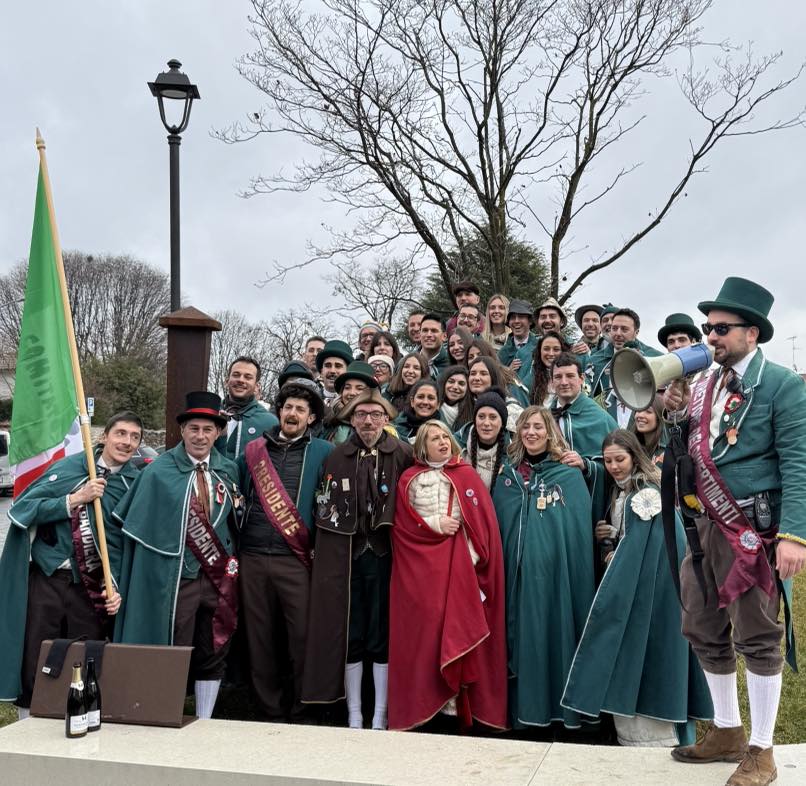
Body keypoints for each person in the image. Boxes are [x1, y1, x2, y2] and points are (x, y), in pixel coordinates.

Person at [663, 278, 806, 786]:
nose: (709, 337)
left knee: (757, 636)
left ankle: (762, 750)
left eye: (720, 329)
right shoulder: (706, 383)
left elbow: (798, 462)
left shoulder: (783, 384)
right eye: (707, 328)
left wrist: (793, 534)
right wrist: (674, 413)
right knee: (702, 625)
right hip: (704, 526)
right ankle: (726, 730)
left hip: (754, 531)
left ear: (753, 333)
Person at [562, 430, 712, 747]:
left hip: (651, 592)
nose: (614, 466)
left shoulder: (646, 495)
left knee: (650, 657)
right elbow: (633, 540)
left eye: (620, 459)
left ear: (634, 456)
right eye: (608, 461)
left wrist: (620, 553)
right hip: (641, 585)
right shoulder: (623, 492)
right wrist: (612, 539)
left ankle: (658, 740)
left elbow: (651, 544)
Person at [0, 412, 142, 717]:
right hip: (49, 577)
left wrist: (115, 588)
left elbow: (123, 547)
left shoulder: (135, 483)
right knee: (37, 651)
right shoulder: (68, 468)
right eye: (121, 433)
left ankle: (79, 715)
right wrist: (74, 499)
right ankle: (29, 718)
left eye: (134, 437)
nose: (126, 442)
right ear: (105, 435)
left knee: (86, 655)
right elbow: (25, 509)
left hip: (89, 586)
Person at [113, 392, 241, 719]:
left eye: (207, 430)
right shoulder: (159, 471)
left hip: (216, 578)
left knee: (214, 645)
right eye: (194, 428)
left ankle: (205, 718)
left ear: (217, 433)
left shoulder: (228, 469)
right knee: (174, 646)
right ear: (182, 431)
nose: (200, 436)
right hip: (176, 576)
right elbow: (137, 527)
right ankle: (164, 712)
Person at [302, 389, 414, 730]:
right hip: (346, 557)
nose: (367, 420)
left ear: (386, 419)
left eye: (375, 414)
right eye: (361, 415)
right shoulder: (335, 457)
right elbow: (321, 504)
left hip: (386, 556)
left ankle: (380, 713)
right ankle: (353, 713)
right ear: (352, 420)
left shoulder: (403, 454)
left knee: (381, 633)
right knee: (351, 633)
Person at [388, 420, 507, 731]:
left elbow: (482, 527)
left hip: (460, 572)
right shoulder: (409, 479)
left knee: (457, 631)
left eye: (444, 436)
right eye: (433, 438)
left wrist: (468, 556)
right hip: (422, 575)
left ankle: (457, 708)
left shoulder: (466, 475)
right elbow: (402, 528)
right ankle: (429, 707)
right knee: (425, 639)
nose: (441, 441)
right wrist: (433, 523)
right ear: (421, 447)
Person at [492, 406, 595, 730]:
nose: (532, 432)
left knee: (556, 638)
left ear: (550, 432)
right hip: (516, 583)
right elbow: (500, 527)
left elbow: (576, 534)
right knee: (522, 642)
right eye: (526, 427)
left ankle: (560, 714)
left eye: (538, 427)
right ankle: (522, 714)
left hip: (555, 582)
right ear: (519, 432)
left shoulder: (567, 475)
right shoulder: (507, 477)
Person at [237, 379, 332, 722]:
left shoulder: (323, 451)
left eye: (301, 410)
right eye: (288, 407)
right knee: (258, 637)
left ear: (311, 418)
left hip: (296, 559)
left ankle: (303, 709)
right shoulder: (253, 451)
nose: (293, 414)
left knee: (302, 637)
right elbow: (242, 495)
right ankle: (268, 710)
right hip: (253, 555)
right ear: (279, 411)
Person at [550, 352, 618, 528]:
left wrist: (587, 465)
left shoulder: (601, 419)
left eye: (570, 376)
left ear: (581, 379)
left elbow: (617, 468)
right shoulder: (543, 416)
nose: (564, 382)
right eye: (558, 377)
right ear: (551, 382)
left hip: (586, 503)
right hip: (551, 503)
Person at [586, 308, 662, 423]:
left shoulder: (654, 357)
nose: (618, 333)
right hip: (604, 423)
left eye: (624, 329)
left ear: (636, 332)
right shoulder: (595, 360)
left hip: (641, 424)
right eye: (614, 328)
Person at [217, 356, 279, 459]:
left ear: (257, 386)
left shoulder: (270, 423)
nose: (241, 380)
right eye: (236, 375)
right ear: (227, 381)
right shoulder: (211, 414)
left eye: (248, 377)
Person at [455, 389, 509, 492]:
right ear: (475, 420)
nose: (486, 423)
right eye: (481, 417)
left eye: (493, 417)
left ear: (502, 422)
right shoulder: (456, 445)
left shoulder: (512, 454)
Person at [322, 361, 379, 445]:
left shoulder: (380, 426)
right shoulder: (328, 420)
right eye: (347, 387)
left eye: (359, 388)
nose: (352, 393)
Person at [468, 356, 523, 433]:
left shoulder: (511, 409)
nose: (476, 378)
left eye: (483, 374)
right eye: (473, 374)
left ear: (493, 377)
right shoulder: (466, 404)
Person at [498, 299, 538, 389]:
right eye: (513, 317)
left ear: (530, 321)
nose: (516, 321)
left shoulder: (540, 347)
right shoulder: (502, 353)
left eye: (521, 317)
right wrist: (508, 372)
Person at [529, 331, 569, 407]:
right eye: (546, 349)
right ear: (540, 351)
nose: (551, 354)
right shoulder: (532, 377)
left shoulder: (570, 379)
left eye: (556, 349)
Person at [629, 396, 667, 467]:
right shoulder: (629, 448)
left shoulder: (667, 451)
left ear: (659, 417)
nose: (640, 415)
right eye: (638, 410)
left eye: (648, 412)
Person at [316, 340, 354, 407]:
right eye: (328, 366)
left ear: (348, 371)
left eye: (338, 366)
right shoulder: (311, 400)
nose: (332, 371)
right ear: (321, 371)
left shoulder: (356, 402)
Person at [437, 365, 473, 432]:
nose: (455, 387)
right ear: (444, 383)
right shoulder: (433, 406)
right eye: (451, 381)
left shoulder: (472, 411)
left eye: (461, 384)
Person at [418, 313, 451, 379]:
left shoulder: (452, 366)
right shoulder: (406, 363)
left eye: (434, 331)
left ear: (444, 336)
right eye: (425, 330)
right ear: (419, 334)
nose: (429, 335)